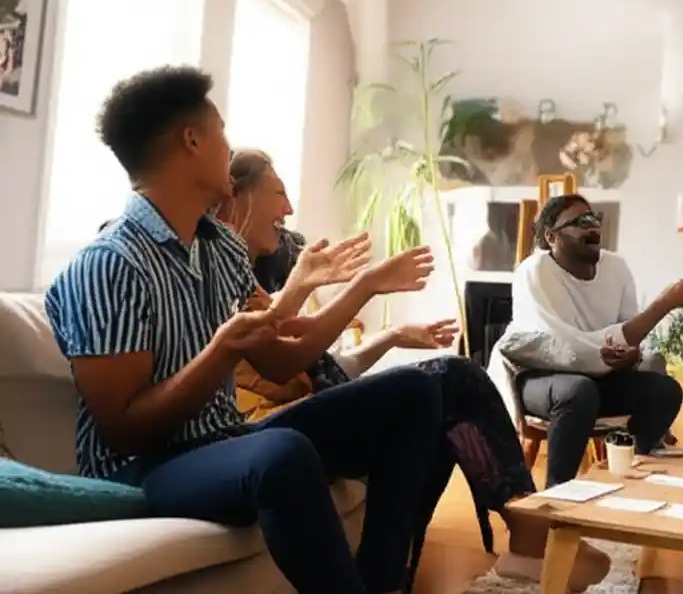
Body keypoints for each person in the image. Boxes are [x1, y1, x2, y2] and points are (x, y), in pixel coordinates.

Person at [44, 66, 443, 594]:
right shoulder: (108, 264)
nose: (229, 148)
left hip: (223, 442)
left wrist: (362, 286)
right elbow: (124, 431)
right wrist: (221, 351)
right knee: (282, 453)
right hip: (141, 469)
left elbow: (280, 362)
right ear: (192, 141)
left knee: (413, 392)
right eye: (221, 132)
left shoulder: (220, 247)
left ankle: (381, 582)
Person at [219, 150, 610, 590]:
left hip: (310, 409)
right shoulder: (219, 275)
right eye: (278, 193)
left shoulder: (245, 277)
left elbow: (314, 363)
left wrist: (392, 334)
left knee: (441, 394)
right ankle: (525, 531)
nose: (289, 209)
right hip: (265, 429)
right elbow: (286, 358)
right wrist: (354, 286)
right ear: (237, 197)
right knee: (444, 380)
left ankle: (421, 562)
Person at [488, 194, 683, 489]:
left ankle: (628, 472)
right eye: (580, 222)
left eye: (594, 219)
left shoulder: (616, 268)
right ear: (551, 237)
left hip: (597, 378)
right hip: (538, 376)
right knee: (578, 391)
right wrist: (663, 305)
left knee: (664, 391)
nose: (593, 227)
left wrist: (631, 356)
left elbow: (630, 335)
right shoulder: (535, 271)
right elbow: (566, 348)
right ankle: (559, 493)